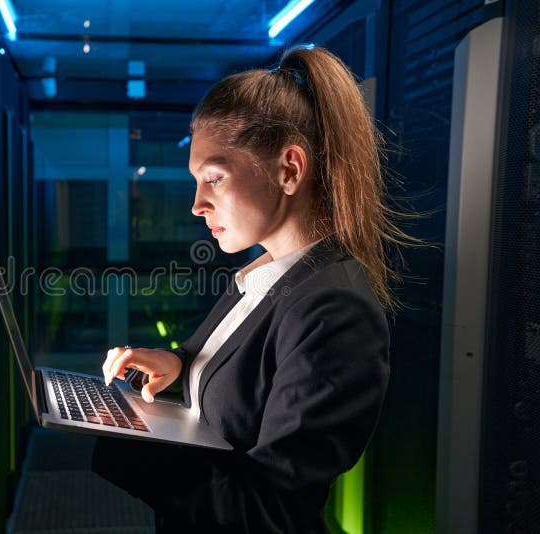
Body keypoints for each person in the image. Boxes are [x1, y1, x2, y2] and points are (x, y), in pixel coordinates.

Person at [93, 44, 409, 533]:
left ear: (289, 170)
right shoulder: (264, 274)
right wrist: (179, 365)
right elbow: (243, 379)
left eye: (214, 178)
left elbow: (267, 511)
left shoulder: (336, 308)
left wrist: (125, 437)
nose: (197, 204)